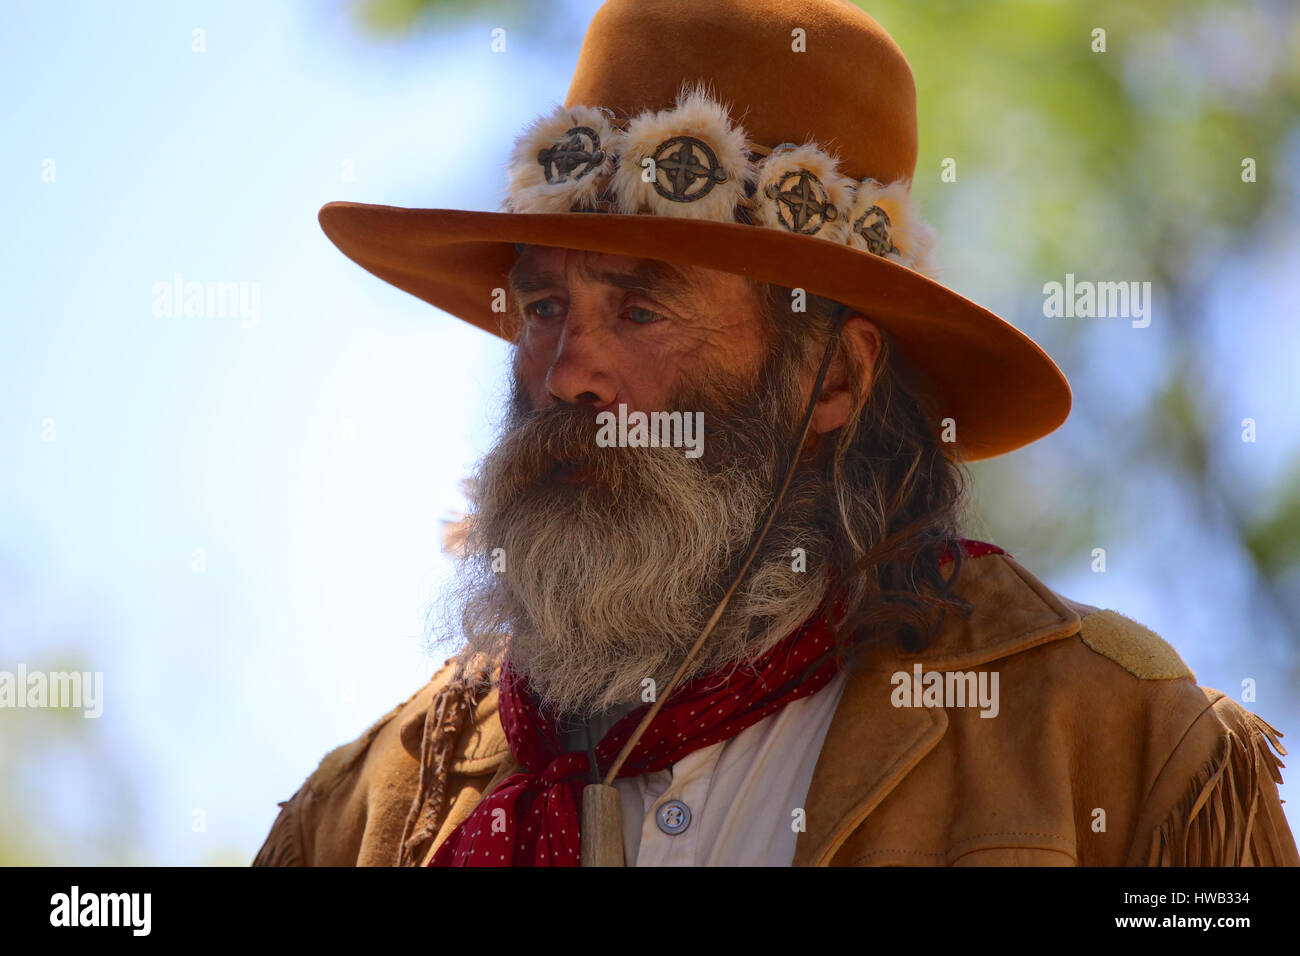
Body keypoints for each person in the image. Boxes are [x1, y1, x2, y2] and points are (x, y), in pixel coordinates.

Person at [253, 0, 1297, 867]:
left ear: (831, 377)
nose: (568, 370)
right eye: (540, 310)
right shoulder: (365, 816)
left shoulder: (1103, 741)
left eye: (640, 310)